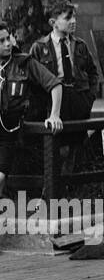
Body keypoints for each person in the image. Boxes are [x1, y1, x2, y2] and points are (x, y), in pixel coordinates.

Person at [28, 0, 100, 172]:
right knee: (56, 147)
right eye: (68, 18)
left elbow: (93, 73)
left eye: (74, 17)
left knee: (77, 145)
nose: (73, 21)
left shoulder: (80, 46)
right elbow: (32, 78)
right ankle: (53, 190)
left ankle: (73, 188)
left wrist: (88, 97)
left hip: (77, 101)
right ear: (53, 22)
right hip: (54, 103)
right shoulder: (39, 48)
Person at [0, 20, 63, 199]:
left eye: (8, 38)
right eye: (1, 41)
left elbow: (55, 84)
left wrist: (54, 115)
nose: (7, 44)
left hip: (9, 131)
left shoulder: (23, 63)